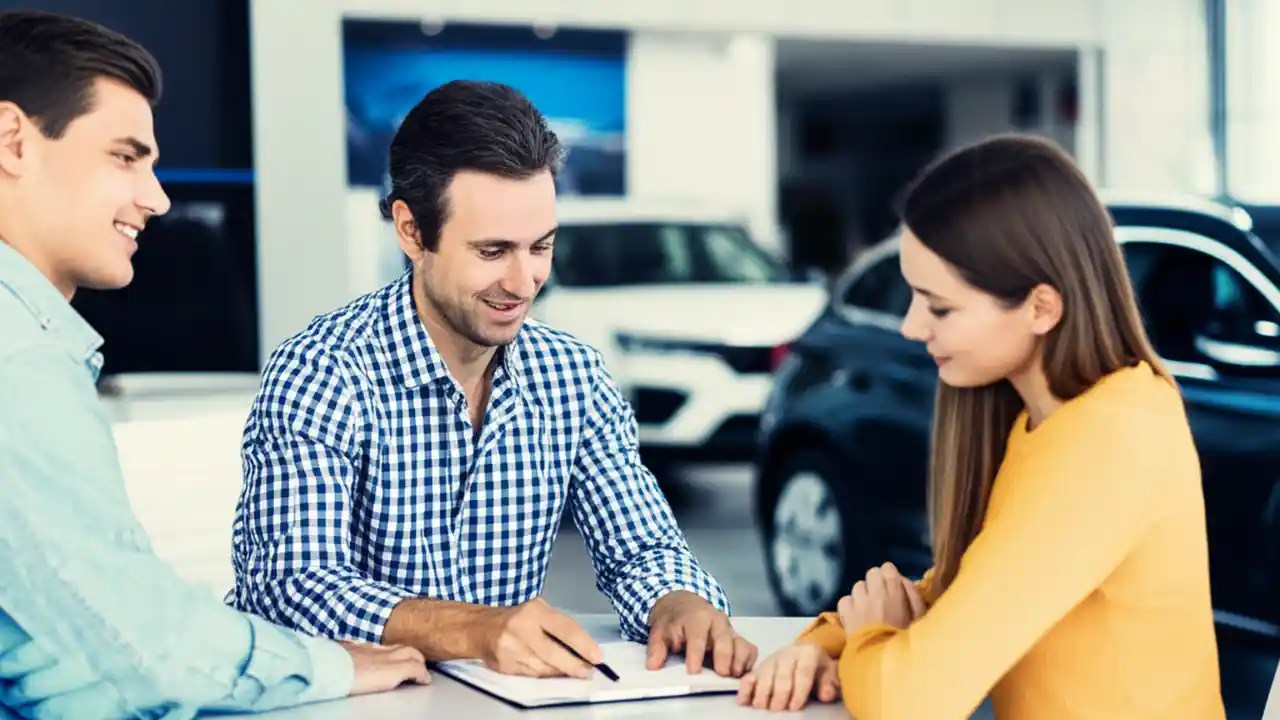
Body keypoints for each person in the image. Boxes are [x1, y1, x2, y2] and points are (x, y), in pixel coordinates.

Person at [228, 80, 758, 680]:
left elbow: (643, 548)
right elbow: (289, 585)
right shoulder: (323, 371)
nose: (524, 280)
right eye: (492, 251)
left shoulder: (572, 376)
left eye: (541, 246)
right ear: (411, 231)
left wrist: (678, 602)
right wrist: (475, 630)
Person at [0, 11, 427, 719]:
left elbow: (55, 646)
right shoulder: (18, 360)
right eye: (125, 156)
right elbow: (142, 654)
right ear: (12, 139)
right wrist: (321, 665)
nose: (157, 197)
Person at [738, 134, 1226, 718]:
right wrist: (830, 644)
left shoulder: (1110, 439)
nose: (911, 328)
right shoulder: (1047, 419)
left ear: (1042, 308)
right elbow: (964, 588)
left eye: (939, 306)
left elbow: (913, 700)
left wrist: (871, 643)